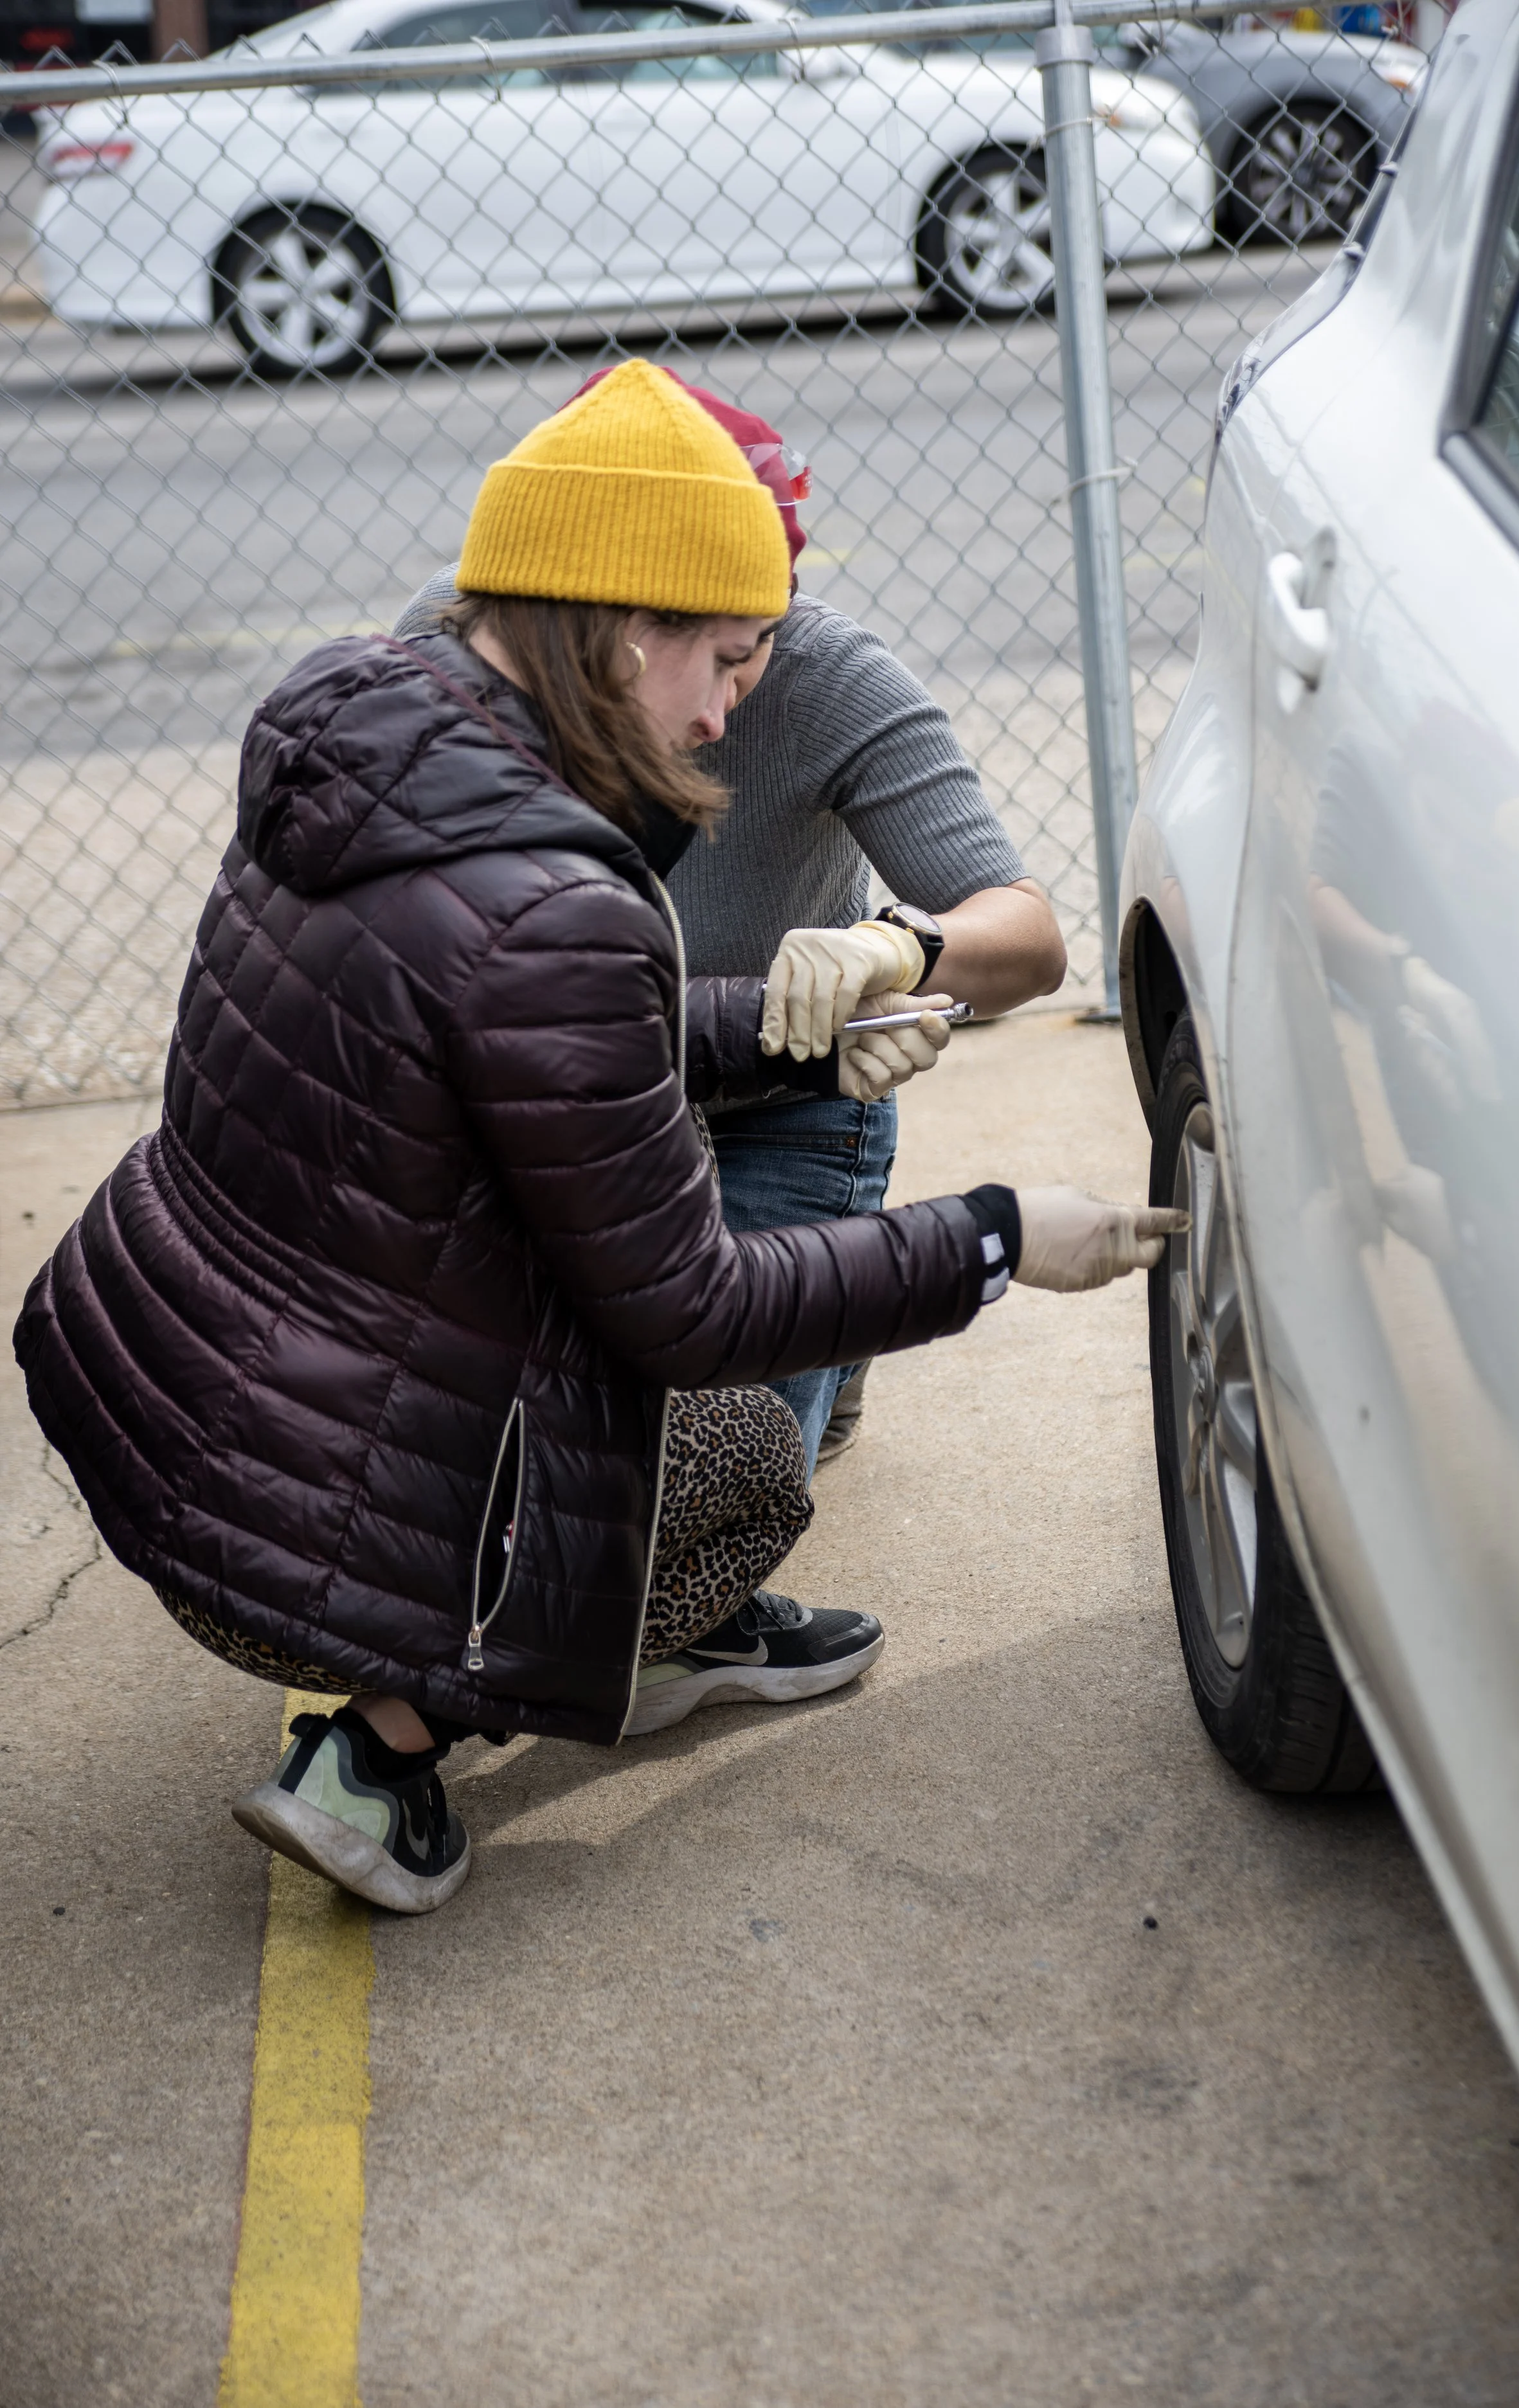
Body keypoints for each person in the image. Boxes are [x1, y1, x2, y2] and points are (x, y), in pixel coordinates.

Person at [15, 361, 1182, 1918]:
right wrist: (995, 1235)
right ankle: (403, 1740)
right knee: (735, 1461)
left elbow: (522, 1017)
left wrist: (841, 989)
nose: (726, 713)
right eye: (719, 659)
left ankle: (541, 1617)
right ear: (630, 624)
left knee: (677, 1359)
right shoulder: (560, 905)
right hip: (292, 1542)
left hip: (169, 1409)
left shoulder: (364, 718)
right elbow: (681, 1300)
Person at [395, 368, 1067, 1475]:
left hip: (777, 1098)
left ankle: (831, 1317)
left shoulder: (826, 676)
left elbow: (1030, 937)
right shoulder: (483, 631)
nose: (723, 701)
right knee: (495, 1450)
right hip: (554, 1087)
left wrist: (901, 945)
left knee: (713, 1468)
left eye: (753, 641)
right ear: (610, 609)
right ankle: (828, 1311)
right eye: (710, 645)